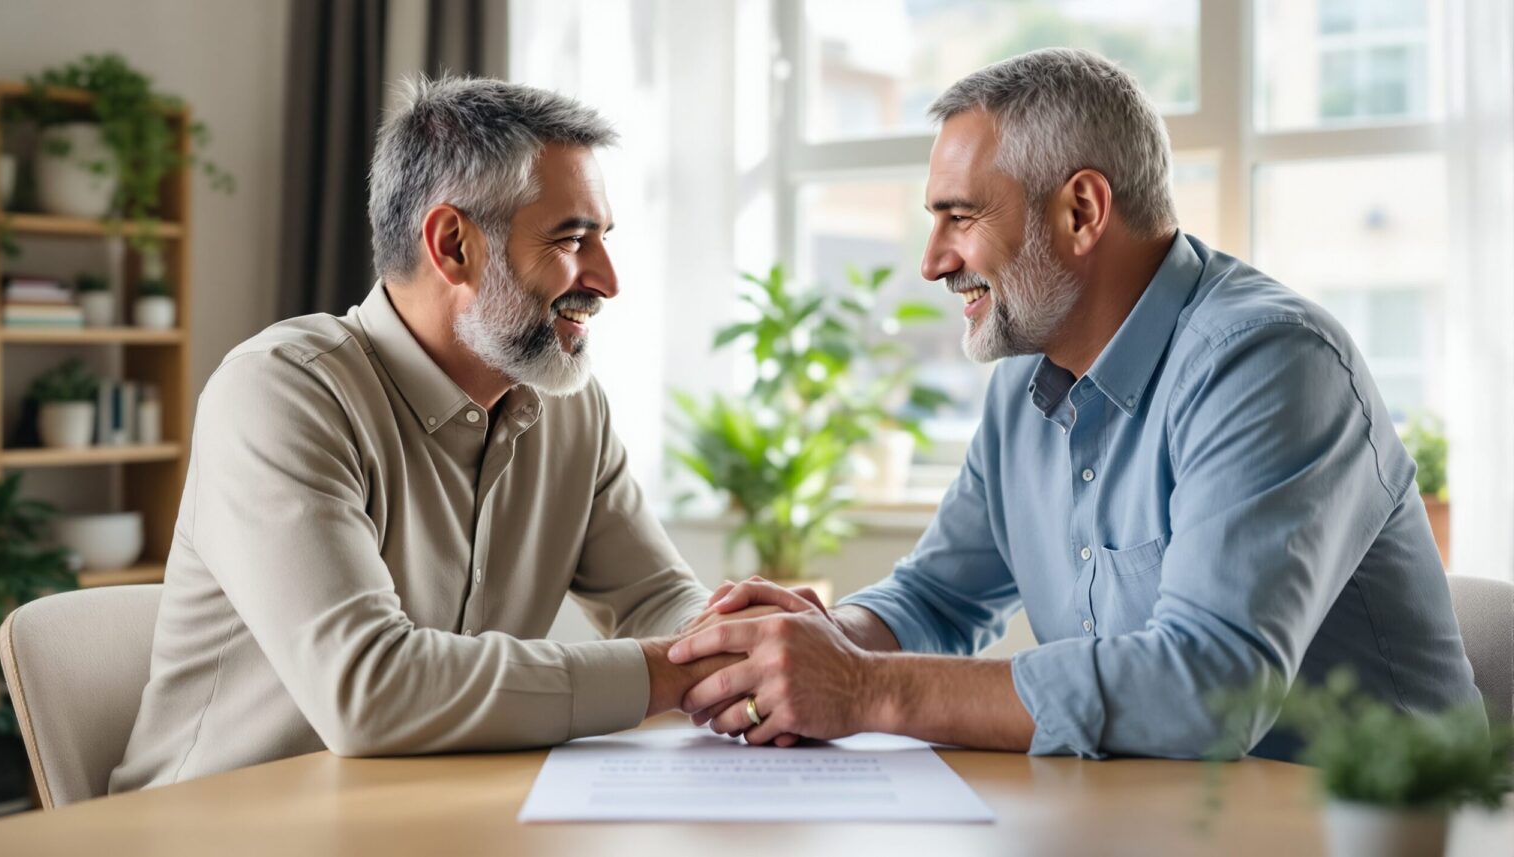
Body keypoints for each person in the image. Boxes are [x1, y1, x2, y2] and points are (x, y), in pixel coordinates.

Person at [671, 48, 1482, 761]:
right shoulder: (1025, 380)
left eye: (961, 216)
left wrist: (861, 687)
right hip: (1155, 817)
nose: (932, 261)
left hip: (1376, 829)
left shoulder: (1268, 362)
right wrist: (812, 643)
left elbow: (1209, 688)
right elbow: (938, 597)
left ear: (1082, 211)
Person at [110, 76, 756, 792]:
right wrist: (669, 671)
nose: (607, 280)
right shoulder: (280, 392)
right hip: (213, 826)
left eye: (603, 239)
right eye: (573, 240)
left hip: (425, 814)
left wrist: (748, 639)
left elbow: (655, 597)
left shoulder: (571, 409)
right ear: (453, 245)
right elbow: (371, 688)